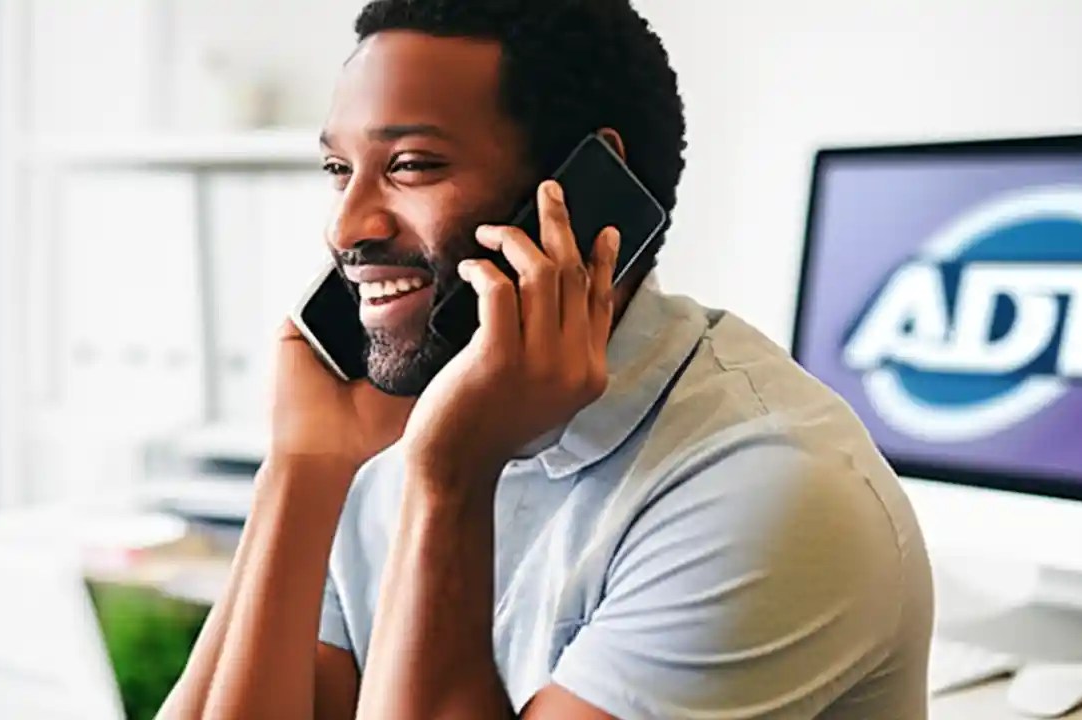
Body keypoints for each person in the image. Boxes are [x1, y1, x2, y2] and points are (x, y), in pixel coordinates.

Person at [159, 0, 933, 718]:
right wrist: (302, 470)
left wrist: (454, 477)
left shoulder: (769, 488)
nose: (347, 225)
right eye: (338, 170)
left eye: (412, 166)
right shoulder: (389, 428)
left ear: (583, 188)